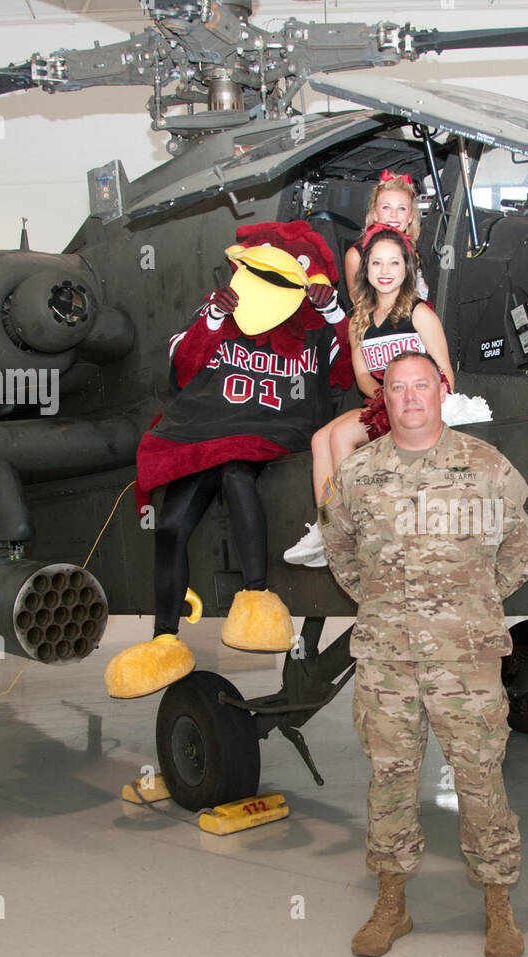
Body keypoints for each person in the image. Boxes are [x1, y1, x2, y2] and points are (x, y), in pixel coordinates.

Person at [320, 350, 528, 957]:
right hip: (387, 659)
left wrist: (473, 600)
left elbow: (527, 544)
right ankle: (391, 904)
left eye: (422, 385)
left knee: (479, 778)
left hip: (464, 659)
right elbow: (339, 548)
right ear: (384, 398)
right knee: (389, 780)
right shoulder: (358, 473)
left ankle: (498, 905)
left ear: (442, 390)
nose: (411, 397)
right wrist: (383, 601)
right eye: (398, 388)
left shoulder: (486, 466)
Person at [104, 221, 346, 699]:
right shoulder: (221, 311)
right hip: (203, 431)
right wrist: (213, 318)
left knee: (238, 476)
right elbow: (180, 369)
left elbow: (343, 371)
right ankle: (164, 638)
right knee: (171, 524)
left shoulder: (316, 325)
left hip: (263, 432)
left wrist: (333, 309)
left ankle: (255, 597)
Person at [284, 226, 453, 567]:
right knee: (320, 439)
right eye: (376, 264)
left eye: (394, 263)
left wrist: (410, 399)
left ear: (407, 269)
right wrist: (385, 396)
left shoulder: (420, 314)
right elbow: (362, 376)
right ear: (366, 270)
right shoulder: (359, 321)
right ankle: (327, 527)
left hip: (421, 409)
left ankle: (354, 525)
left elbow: (446, 373)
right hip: (382, 403)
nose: (385, 272)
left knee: (342, 436)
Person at [343, 169, 426, 302]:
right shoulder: (355, 256)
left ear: (410, 217)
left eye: (402, 208)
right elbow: (359, 308)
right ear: (374, 214)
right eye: (386, 207)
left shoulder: (416, 251)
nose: (394, 215)